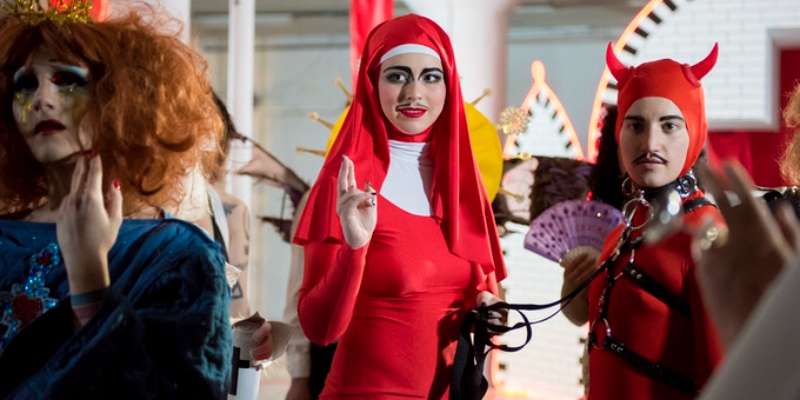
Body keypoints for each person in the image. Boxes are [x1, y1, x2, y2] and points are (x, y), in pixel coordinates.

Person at [0, 3, 232, 398]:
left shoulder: (176, 256)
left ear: (117, 96)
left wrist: (90, 276)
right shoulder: (6, 239)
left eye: (65, 79)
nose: (41, 98)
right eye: (26, 83)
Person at [292, 14, 507, 399]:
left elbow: (480, 291)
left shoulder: (463, 180)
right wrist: (355, 250)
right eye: (397, 76)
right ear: (372, 84)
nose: (414, 93)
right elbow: (321, 330)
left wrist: (486, 308)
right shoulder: (345, 182)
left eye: (430, 77)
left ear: (449, 85)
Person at [586, 44, 725, 400]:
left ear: (693, 133)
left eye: (669, 125)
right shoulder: (622, 230)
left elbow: (724, 376)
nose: (650, 143)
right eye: (635, 125)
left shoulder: (706, 234)